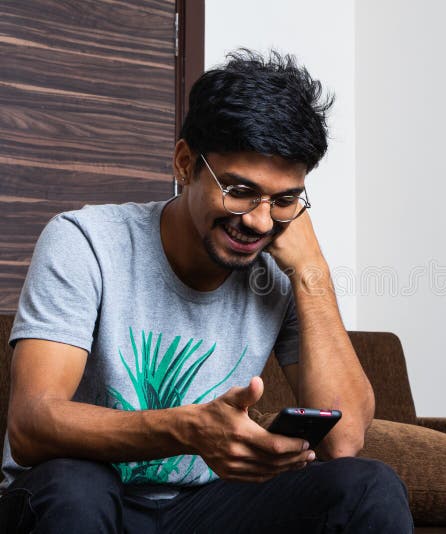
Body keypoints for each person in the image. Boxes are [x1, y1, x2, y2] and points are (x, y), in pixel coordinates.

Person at [0, 50, 413, 533]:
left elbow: (343, 442)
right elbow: (31, 424)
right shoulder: (86, 242)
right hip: (84, 495)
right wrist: (188, 429)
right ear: (184, 164)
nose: (260, 221)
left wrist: (313, 272)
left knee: (368, 487)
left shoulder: (280, 270)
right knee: (76, 487)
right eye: (239, 191)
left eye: (283, 200)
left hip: (201, 507)